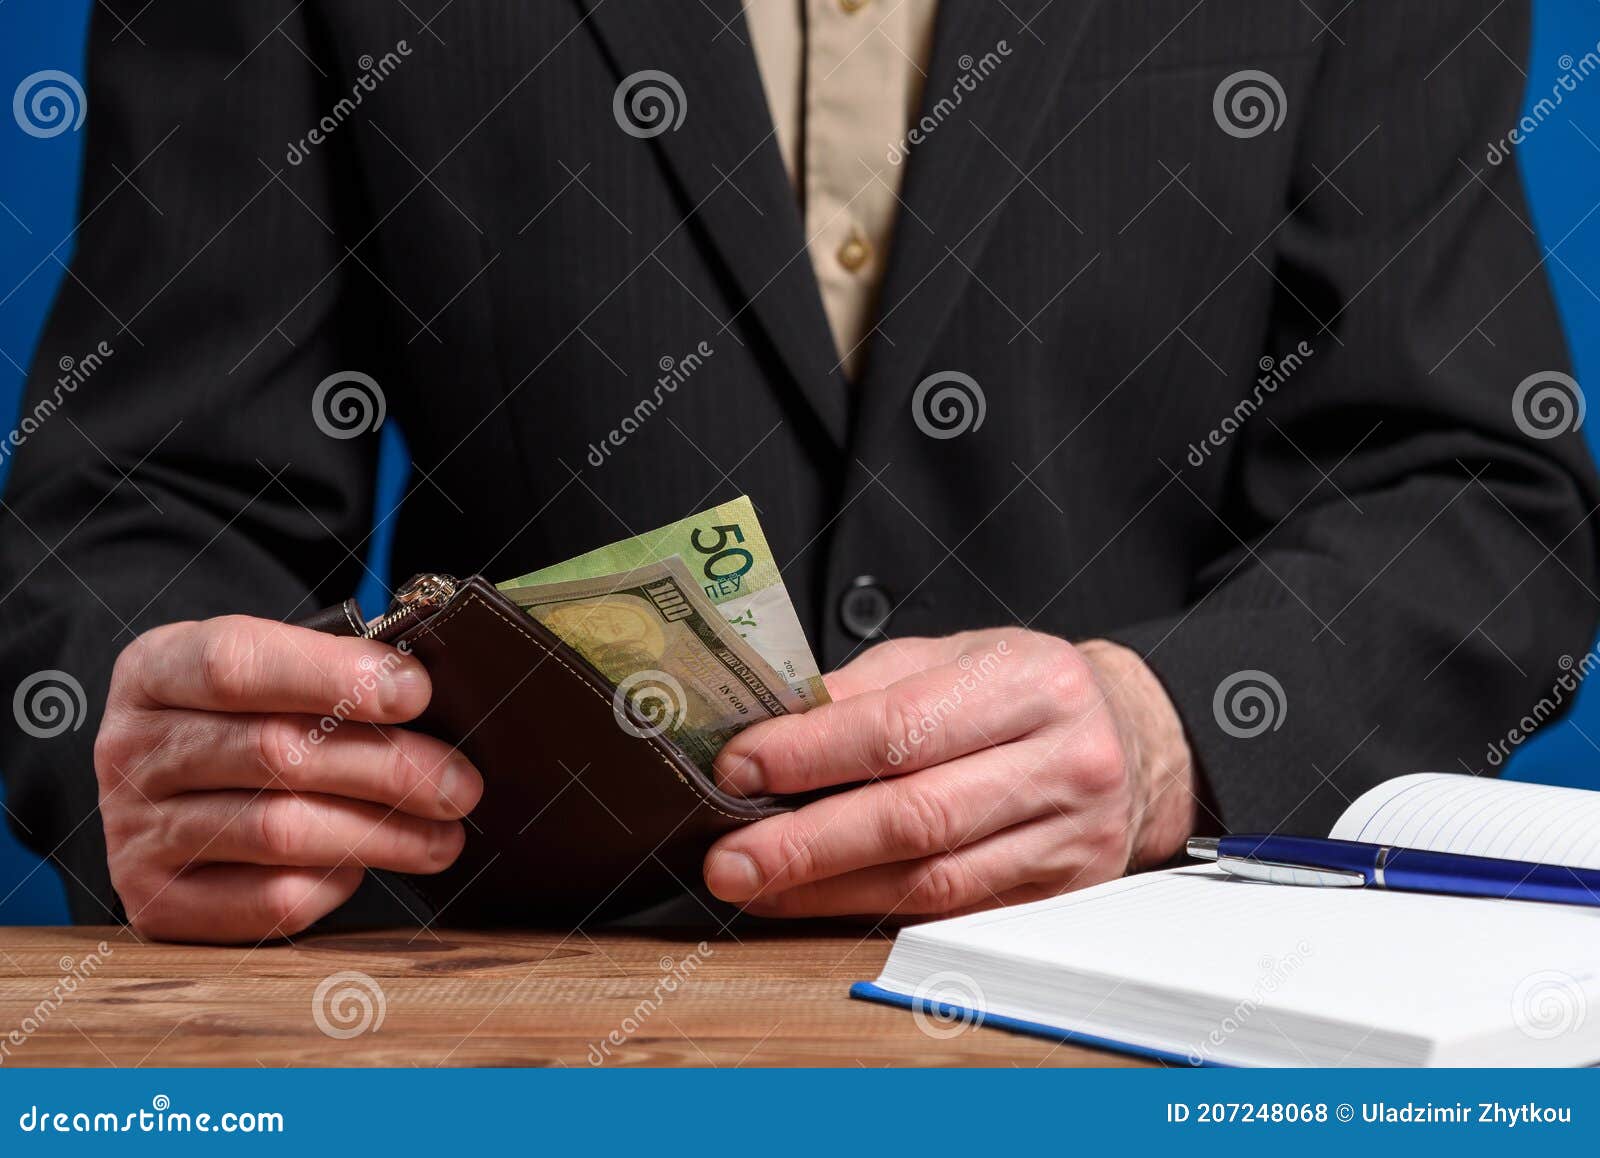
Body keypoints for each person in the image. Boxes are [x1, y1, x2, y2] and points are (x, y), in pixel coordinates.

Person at [1, 1, 1595, 943]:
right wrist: (153, 752)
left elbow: (1474, 494)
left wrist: (1172, 732)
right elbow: (141, 505)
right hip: (492, 1038)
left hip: (1158, 1021)